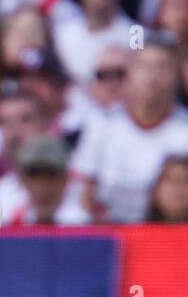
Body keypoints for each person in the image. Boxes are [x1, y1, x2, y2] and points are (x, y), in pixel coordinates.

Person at [72, 39, 188, 222]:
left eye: (163, 67)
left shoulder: (184, 130)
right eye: (144, 66)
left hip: (168, 232)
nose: (153, 75)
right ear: (129, 73)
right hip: (109, 231)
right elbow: (83, 187)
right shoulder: (102, 123)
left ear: (177, 76)